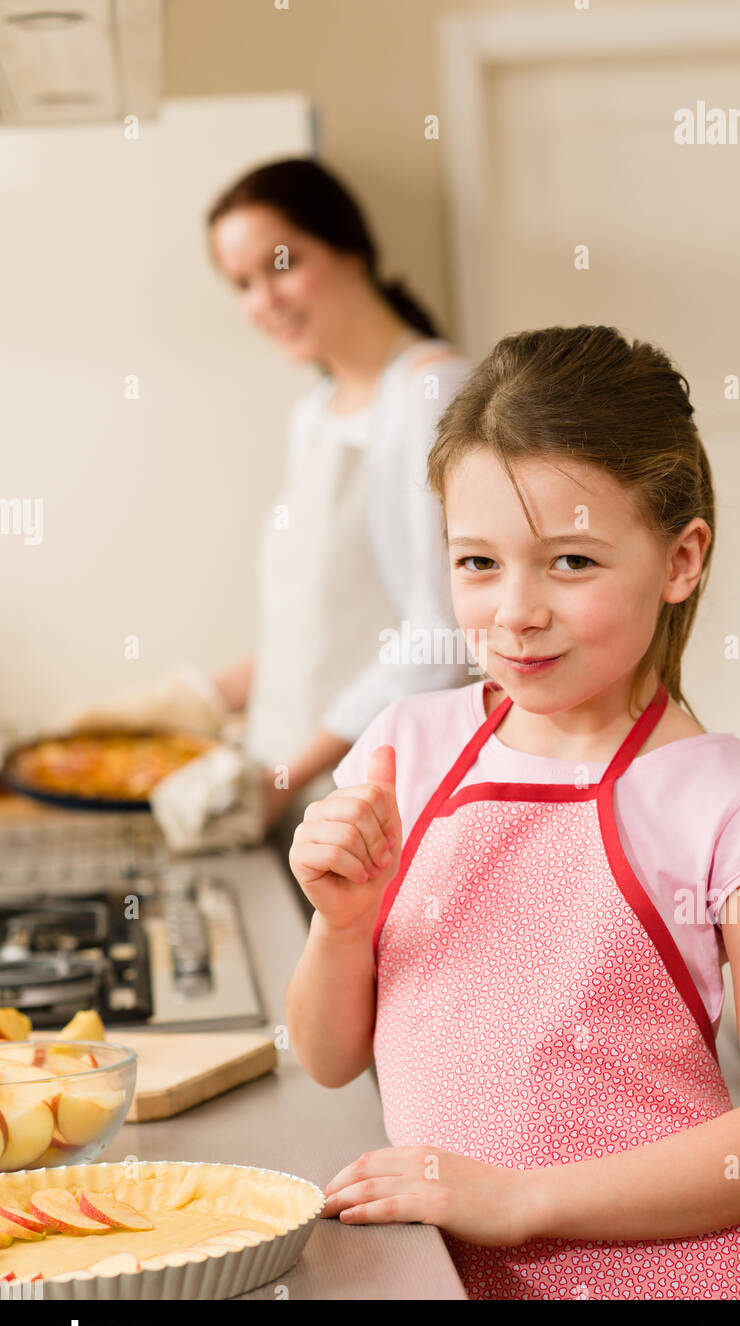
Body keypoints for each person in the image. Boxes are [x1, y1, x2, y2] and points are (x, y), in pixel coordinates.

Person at [285, 324, 740, 1300]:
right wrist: (342, 925)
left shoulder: (734, 810)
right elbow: (330, 1057)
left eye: (570, 562)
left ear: (678, 560)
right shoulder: (403, 750)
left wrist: (520, 1199)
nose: (513, 610)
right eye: (476, 563)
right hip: (453, 1277)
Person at [64, 160, 474, 873]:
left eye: (281, 265)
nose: (264, 300)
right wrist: (193, 700)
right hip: (296, 794)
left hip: (374, 796)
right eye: (242, 284)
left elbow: (441, 637)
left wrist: (286, 776)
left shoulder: (431, 392)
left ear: (352, 248)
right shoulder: (313, 414)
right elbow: (322, 625)